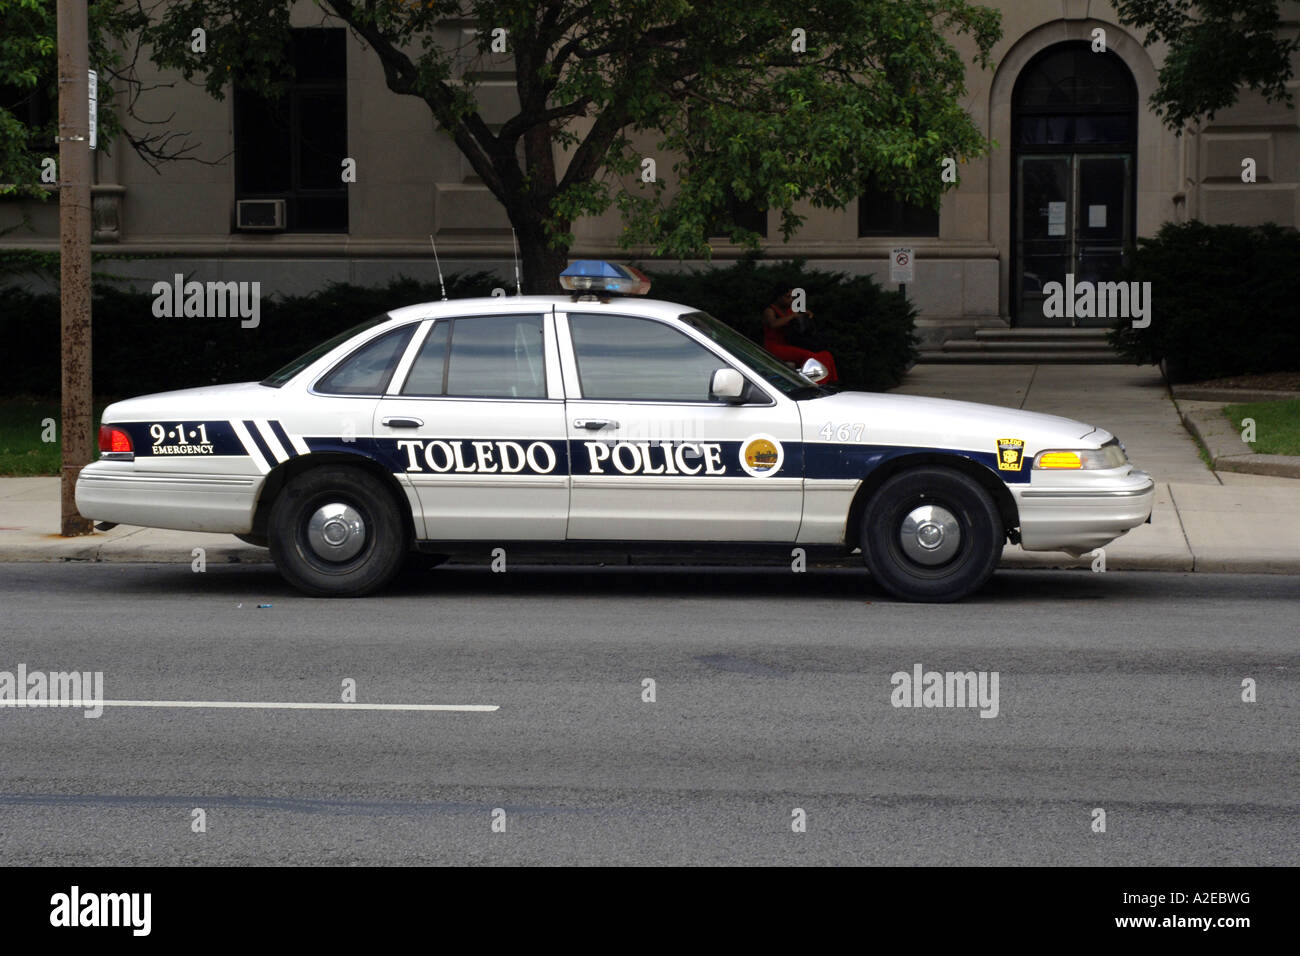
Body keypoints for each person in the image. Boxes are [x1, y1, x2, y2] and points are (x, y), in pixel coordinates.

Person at [760, 285, 839, 384]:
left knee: (826, 355)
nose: (791, 300)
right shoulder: (770, 310)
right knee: (812, 357)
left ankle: (829, 381)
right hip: (775, 347)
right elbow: (773, 324)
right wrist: (793, 316)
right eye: (787, 297)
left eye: (793, 298)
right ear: (778, 297)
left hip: (790, 344)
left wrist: (806, 315)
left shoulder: (790, 310)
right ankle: (816, 383)